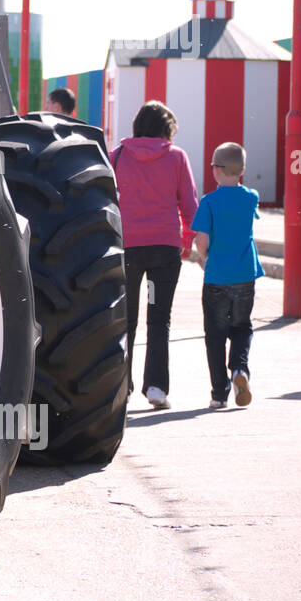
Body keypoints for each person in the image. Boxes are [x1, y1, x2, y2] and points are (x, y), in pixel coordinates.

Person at [112, 101, 198, 410]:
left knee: (126, 320)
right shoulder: (176, 157)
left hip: (128, 248)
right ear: (166, 130)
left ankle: (121, 387)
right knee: (159, 319)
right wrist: (187, 241)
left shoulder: (117, 157)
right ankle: (157, 388)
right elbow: (189, 204)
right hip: (164, 248)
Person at [191, 142, 262, 410]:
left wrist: (203, 256)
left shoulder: (209, 201)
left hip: (217, 276)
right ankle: (240, 370)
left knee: (215, 334)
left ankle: (219, 393)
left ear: (216, 170)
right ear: (242, 170)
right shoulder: (251, 197)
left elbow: (201, 239)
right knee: (242, 326)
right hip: (245, 274)